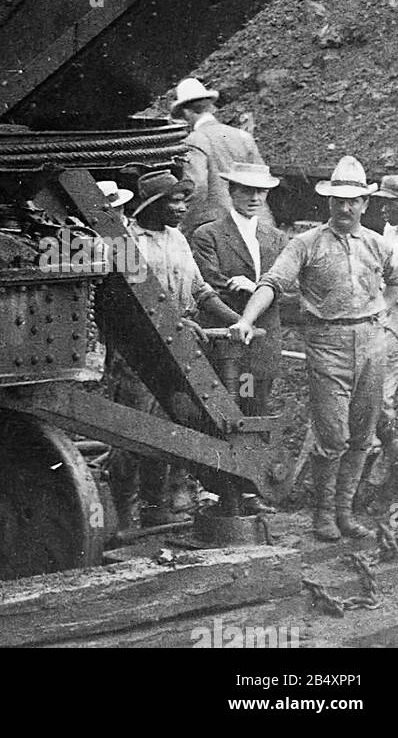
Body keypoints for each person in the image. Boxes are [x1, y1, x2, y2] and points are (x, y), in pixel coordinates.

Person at [230, 156, 398, 540]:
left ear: (364, 204)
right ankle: (323, 513)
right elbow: (273, 283)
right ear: (328, 202)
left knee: (362, 435)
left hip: (372, 342)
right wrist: (246, 320)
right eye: (338, 201)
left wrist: (382, 310)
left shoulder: (377, 244)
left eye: (353, 201)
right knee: (333, 435)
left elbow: (396, 280)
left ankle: (345, 512)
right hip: (327, 344)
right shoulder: (306, 244)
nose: (345, 208)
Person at [106, 171, 236, 528]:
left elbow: (200, 289)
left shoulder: (177, 238)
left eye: (183, 201)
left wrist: (239, 320)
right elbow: (128, 305)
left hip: (178, 350)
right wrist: (179, 323)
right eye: (173, 202)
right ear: (151, 205)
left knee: (170, 428)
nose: (181, 208)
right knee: (131, 430)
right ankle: (122, 515)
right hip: (138, 353)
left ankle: (156, 507)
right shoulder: (128, 242)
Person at [190, 162, 285, 418]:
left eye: (260, 191)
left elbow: (287, 285)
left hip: (262, 341)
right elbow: (209, 282)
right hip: (227, 341)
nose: (255, 198)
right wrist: (245, 290)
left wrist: (256, 288)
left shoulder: (275, 237)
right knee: (223, 410)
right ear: (232, 191)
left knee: (254, 406)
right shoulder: (208, 234)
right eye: (246, 190)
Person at [170, 77, 266, 233]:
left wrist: (184, 225)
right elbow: (262, 179)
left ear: (186, 112)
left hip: (216, 227)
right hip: (253, 223)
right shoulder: (243, 136)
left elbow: (197, 188)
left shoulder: (194, 140)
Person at [373, 173, 398, 458]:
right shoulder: (390, 232)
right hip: (394, 313)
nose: (384, 209)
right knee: (380, 388)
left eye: (391, 203)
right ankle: (390, 450)